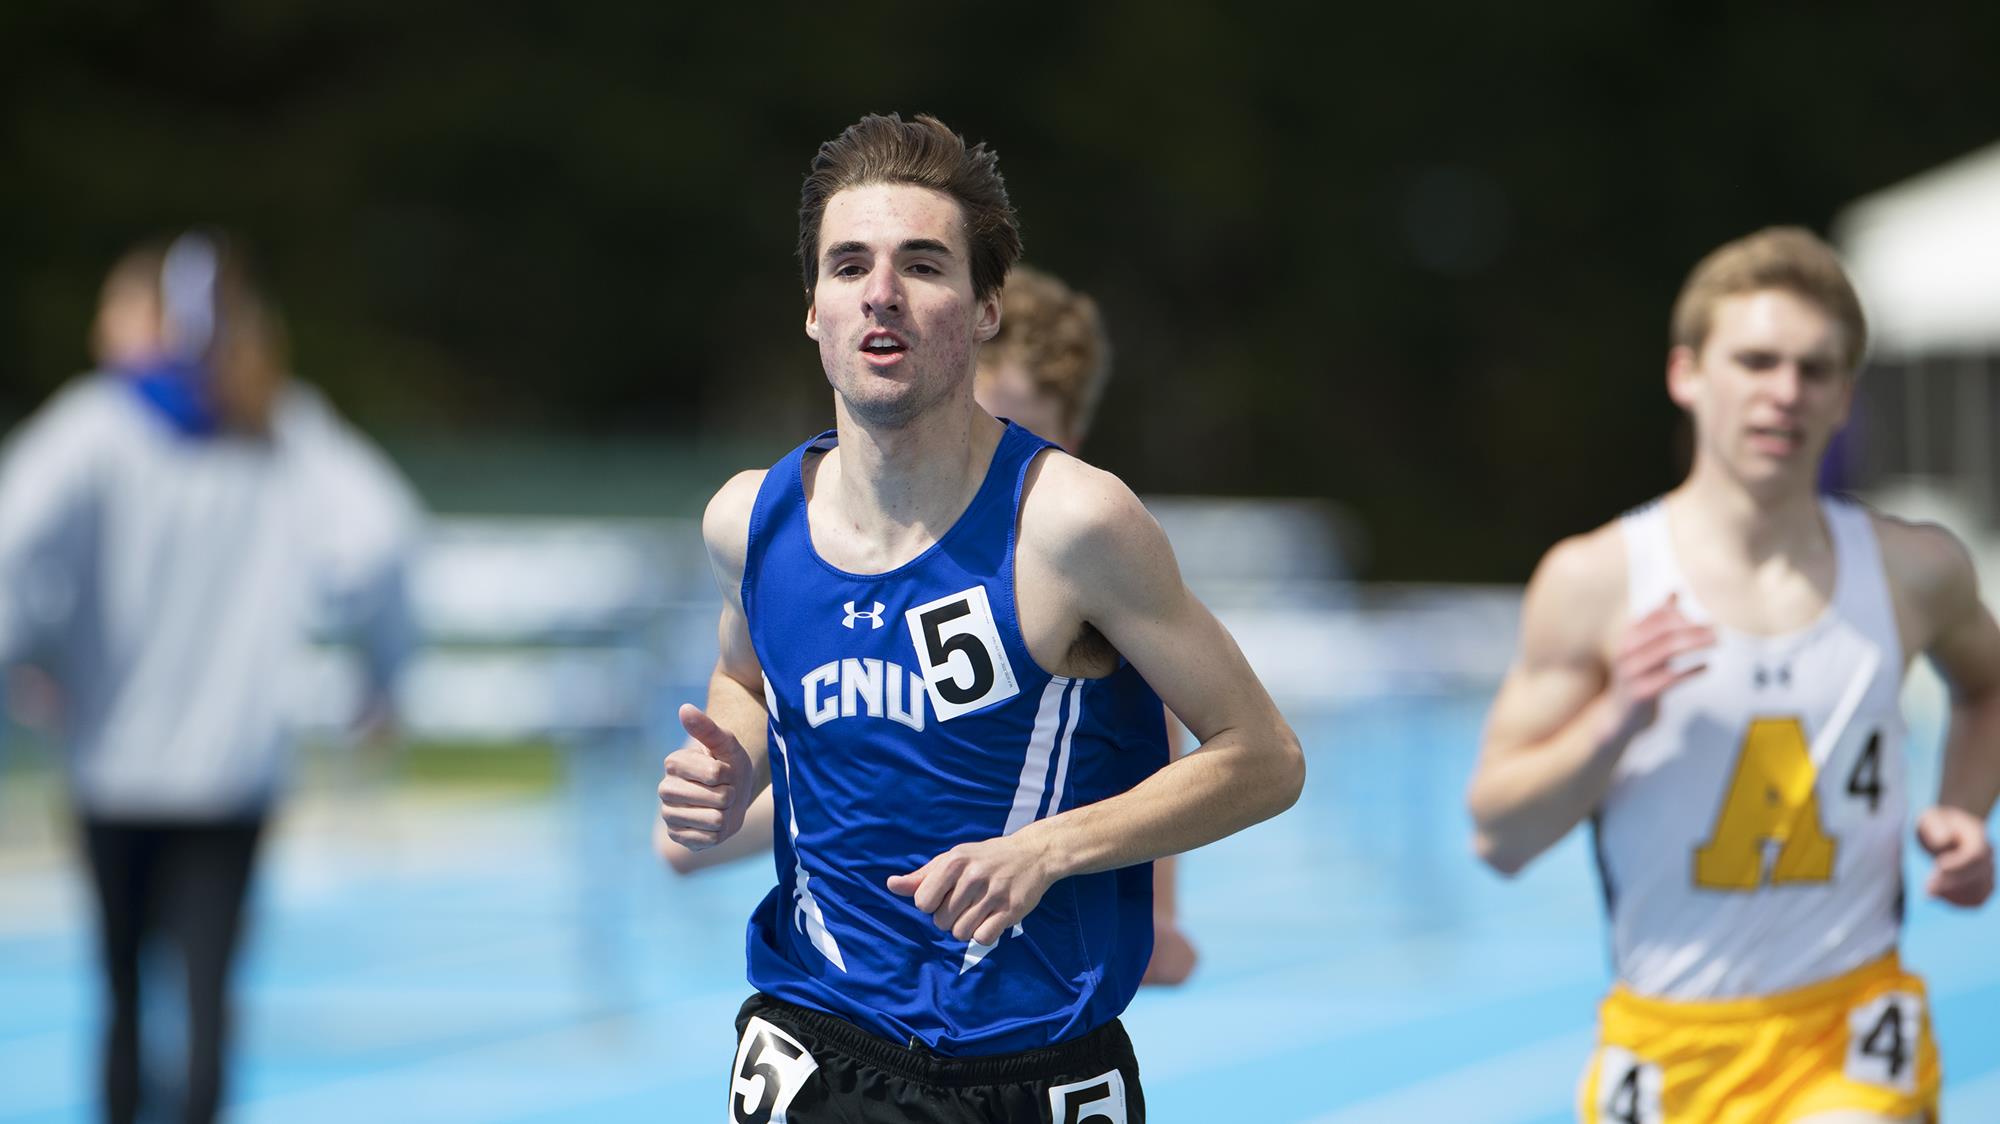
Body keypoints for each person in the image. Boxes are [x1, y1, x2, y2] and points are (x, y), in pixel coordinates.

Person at [656, 113, 1303, 1122]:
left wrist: (1049, 848)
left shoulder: (1072, 524)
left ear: (985, 305)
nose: (880, 292)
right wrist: (728, 758)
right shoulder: (749, 519)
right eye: (848, 264)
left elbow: (1262, 757)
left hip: (1028, 1067)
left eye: (921, 264)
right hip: (816, 1038)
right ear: (813, 308)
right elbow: (742, 679)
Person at [1466, 227, 2000, 1124]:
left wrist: (1964, 808)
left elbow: (1990, 685)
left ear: (1844, 398)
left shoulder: (1916, 570)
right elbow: (1498, 836)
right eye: (1756, 360)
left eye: (1815, 369)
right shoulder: (1597, 581)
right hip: (1669, 1044)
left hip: (1848, 1028)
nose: (1784, 393)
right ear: (1688, 375)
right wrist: (1615, 722)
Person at [654, 264, 1200, 986]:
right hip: (847, 1018)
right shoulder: (827, 576)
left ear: (1071, 443)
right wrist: (851, 791)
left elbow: (1161, 949)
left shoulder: (1112, 622)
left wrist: (1042, 854)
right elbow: (683, 844)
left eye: (1019, 432)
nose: (986, 453)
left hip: (1015, 1040)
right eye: (973, 421)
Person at [0, 231, 422, 1124]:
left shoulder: (94, 425)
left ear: (154, 317)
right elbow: (382, 542)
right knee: (208, 1007)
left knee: (118, 1001)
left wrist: (20, 664)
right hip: (232, 774)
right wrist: (379, 673)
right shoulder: (281, 423)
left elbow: (9, 545)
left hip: (112, 769)